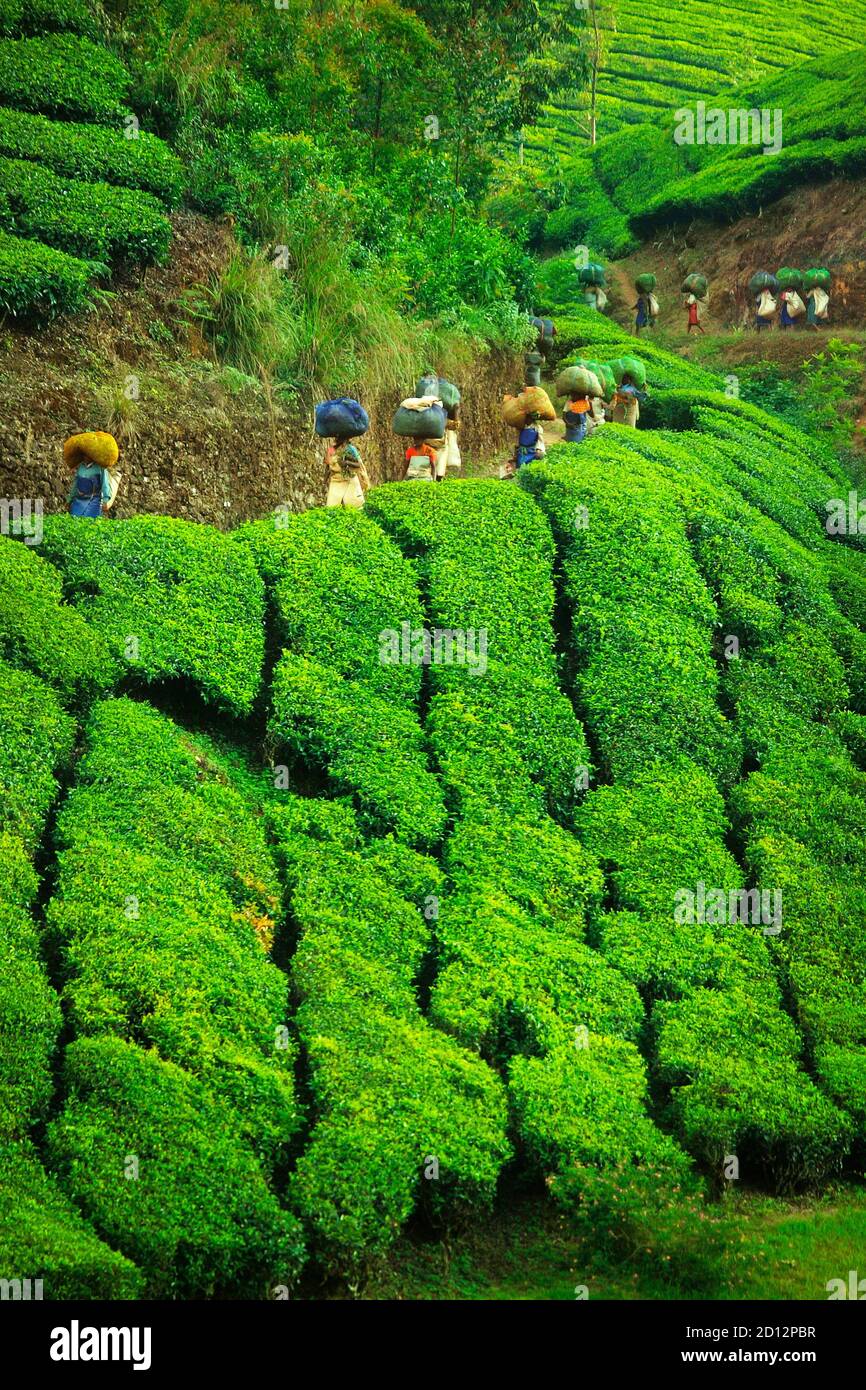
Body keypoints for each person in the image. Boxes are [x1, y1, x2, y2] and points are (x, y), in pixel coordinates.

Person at [65, 431, 120, 518]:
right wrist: (70, 499)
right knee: (75, 523)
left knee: (90, 524)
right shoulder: (81, 468)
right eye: (84, 455)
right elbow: (76, 484)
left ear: (91, 456)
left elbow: (105, 484)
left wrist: (106, 500)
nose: (85, 457)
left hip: (93, 502)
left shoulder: (100, 469)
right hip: (78, 501)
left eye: (87, 455)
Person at [325, 437, 366, 507]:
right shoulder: (332, 449)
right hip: (337, 481)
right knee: (332, 507)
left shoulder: (350, 449)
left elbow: (359, 465)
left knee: (354, 505)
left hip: (349, 480)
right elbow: (328, 464)